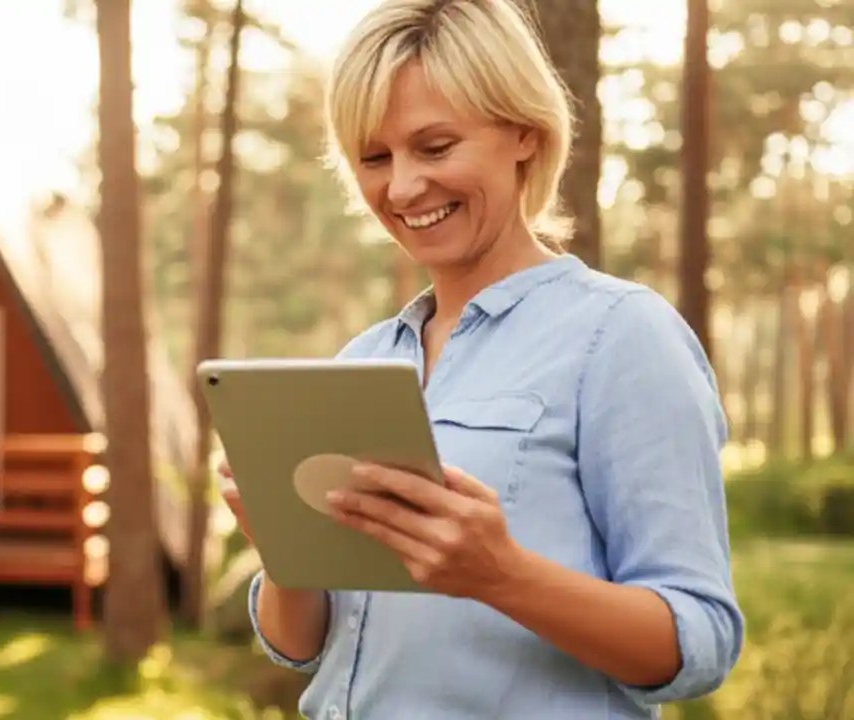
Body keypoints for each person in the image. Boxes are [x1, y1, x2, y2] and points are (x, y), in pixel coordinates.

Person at [217, 1, 744, 718]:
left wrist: (503, 575)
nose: (402, 188)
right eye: (375, 158)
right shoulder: (364, 359)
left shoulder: (622, 336)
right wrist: (283, 547)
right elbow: (304, 644)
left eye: (434, 148)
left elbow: (701, 641)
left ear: (524, 132)